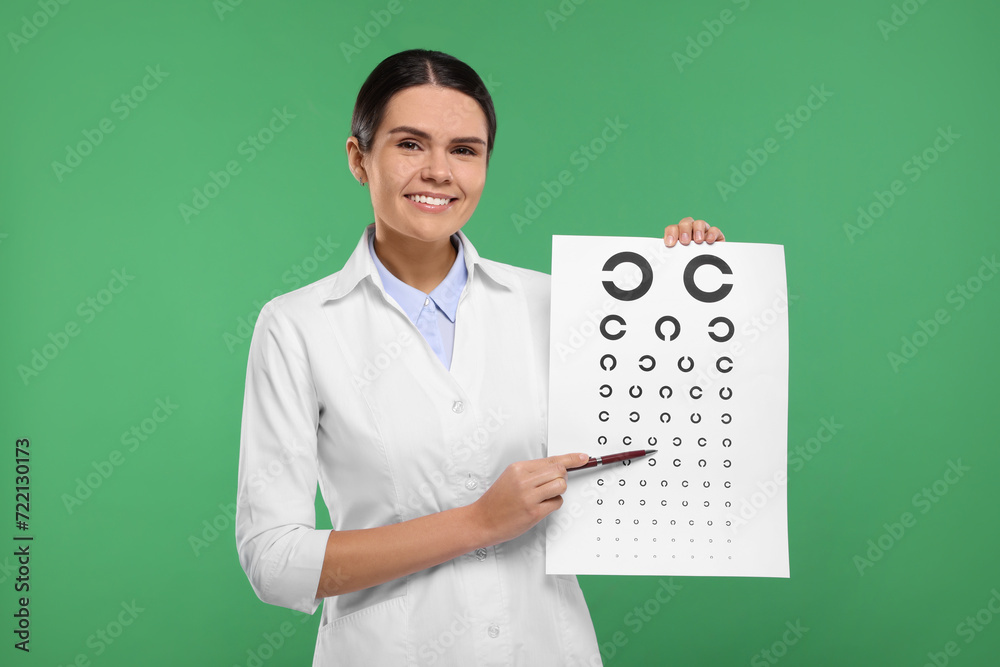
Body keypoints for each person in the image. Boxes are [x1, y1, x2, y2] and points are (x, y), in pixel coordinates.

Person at [235, 48, 724, 666]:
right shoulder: (297, 326)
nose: (440, 171)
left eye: (465, 150)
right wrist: (480, 522)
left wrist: (690, 291)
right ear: (360, 158)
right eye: (410, 144)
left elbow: (667, 445)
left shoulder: (560, 303)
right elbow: (274, 563)